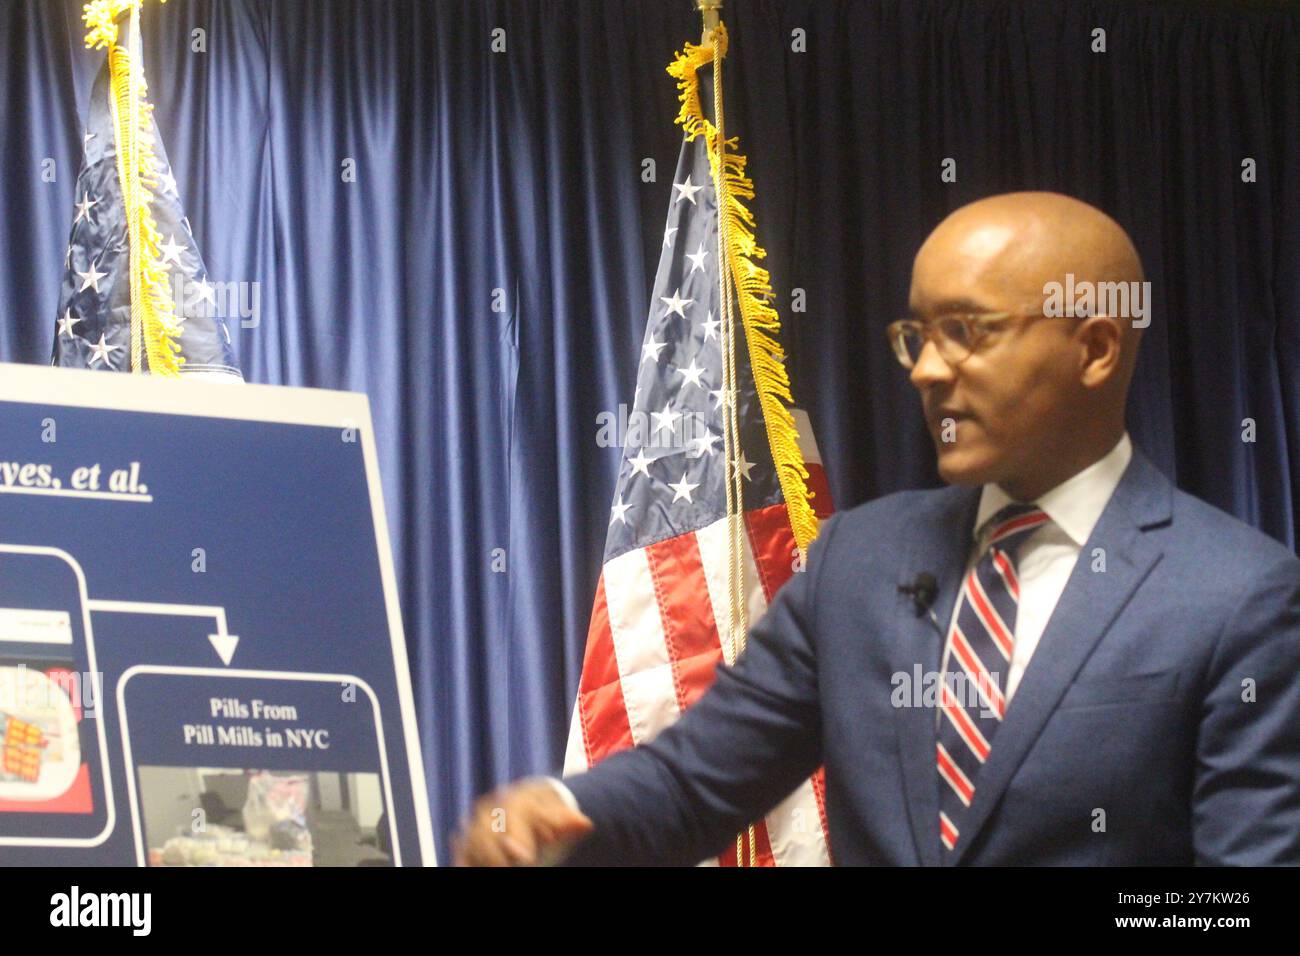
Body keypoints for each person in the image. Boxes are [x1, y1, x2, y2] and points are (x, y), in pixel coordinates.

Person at [454, 192, 1300, 866]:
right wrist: (558, 813)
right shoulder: (857, 561)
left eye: (967, 332)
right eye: (915, 336)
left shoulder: (1237, 596)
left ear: (1097, 347)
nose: (929, 371)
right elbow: (693, 785)